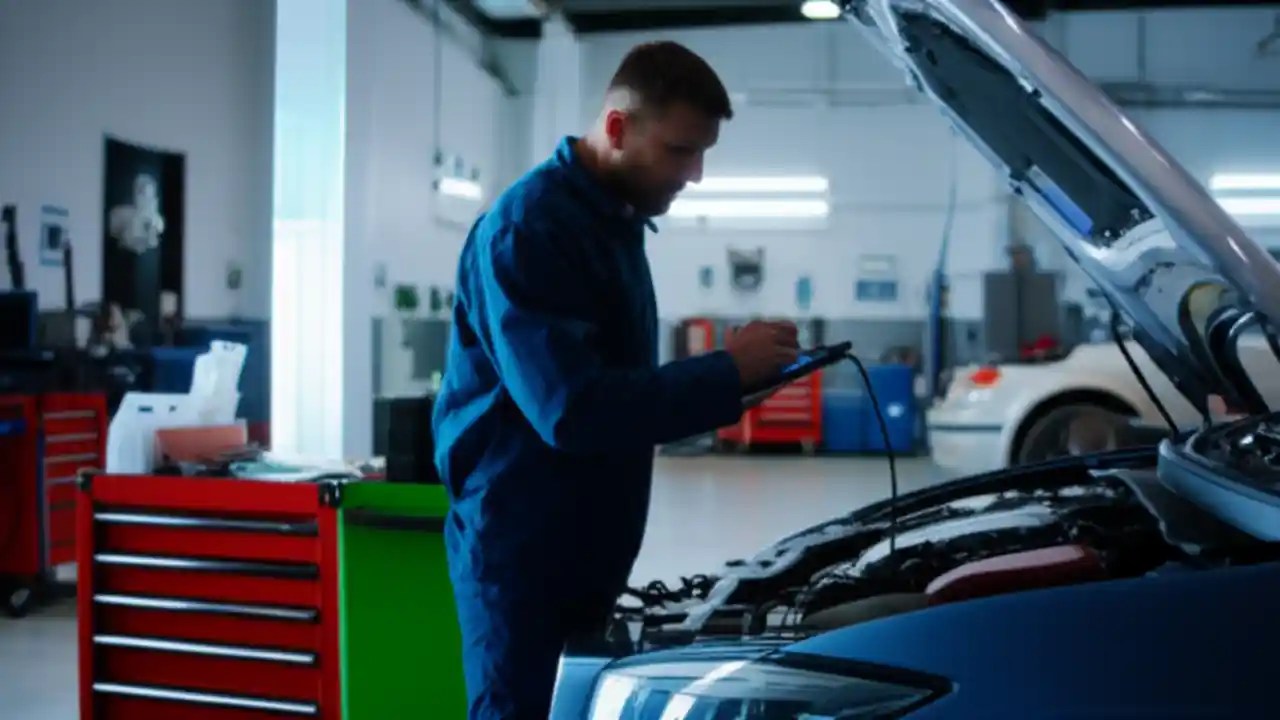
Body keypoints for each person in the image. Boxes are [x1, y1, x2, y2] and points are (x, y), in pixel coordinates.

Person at [433, 40, 801, 719]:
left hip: (584, 546)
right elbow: (570, 410)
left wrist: (741, 382)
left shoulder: (614, 223)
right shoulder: (530, 228)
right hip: (521, 557)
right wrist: (723, 370)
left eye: (702, 154)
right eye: (679, 150)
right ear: (616, 127)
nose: (693, 175)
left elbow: (620, 387)